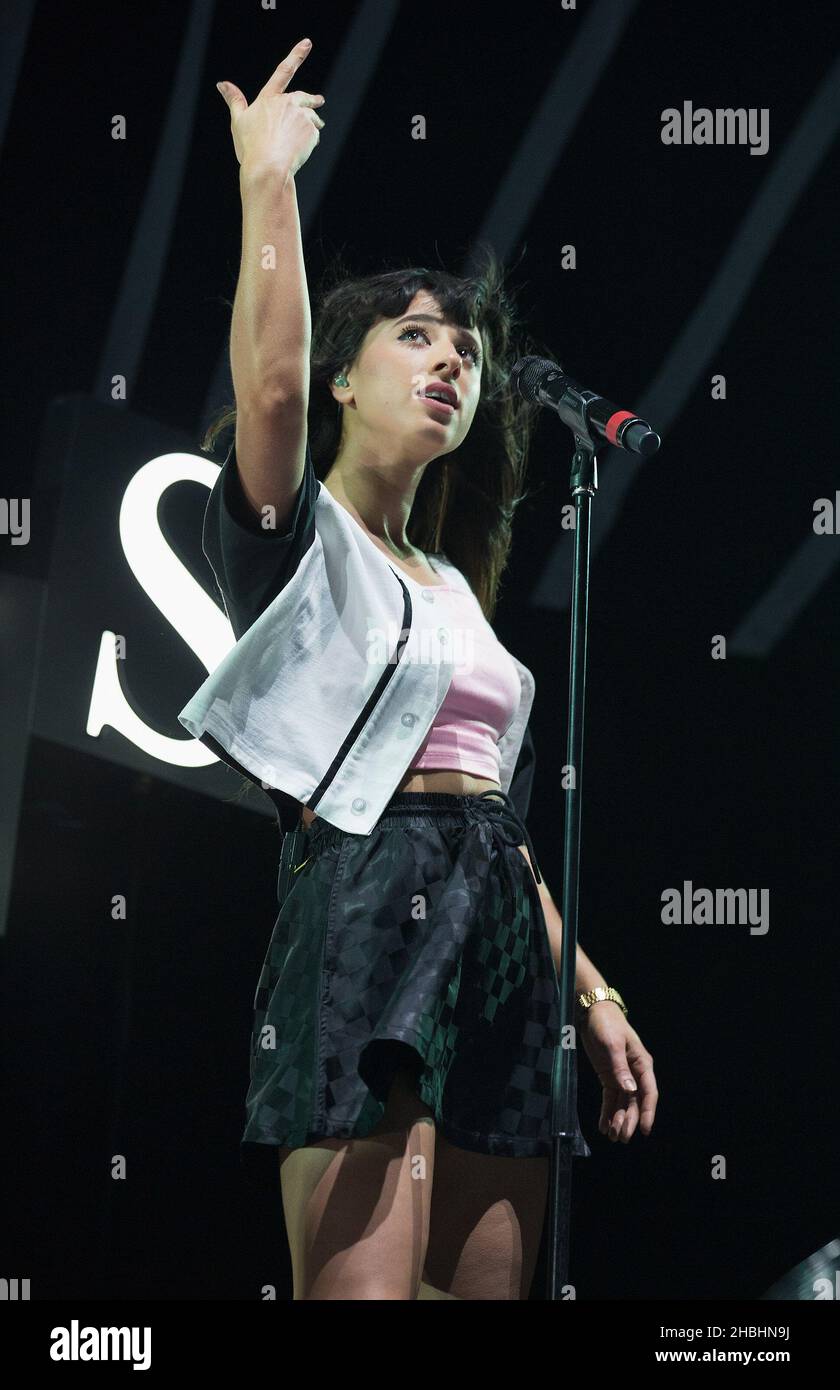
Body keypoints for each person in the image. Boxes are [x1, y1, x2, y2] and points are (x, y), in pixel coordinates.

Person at [181, 39, 659, 1301]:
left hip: (497, 917)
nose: (452, 359)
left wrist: (594, 989)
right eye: (414, 336)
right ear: (348, 378)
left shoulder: (457, 593)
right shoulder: (295, 534)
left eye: (466, 348)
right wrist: (266, 179)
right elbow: (269, 383)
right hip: (363, 895)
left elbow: (503, 828)